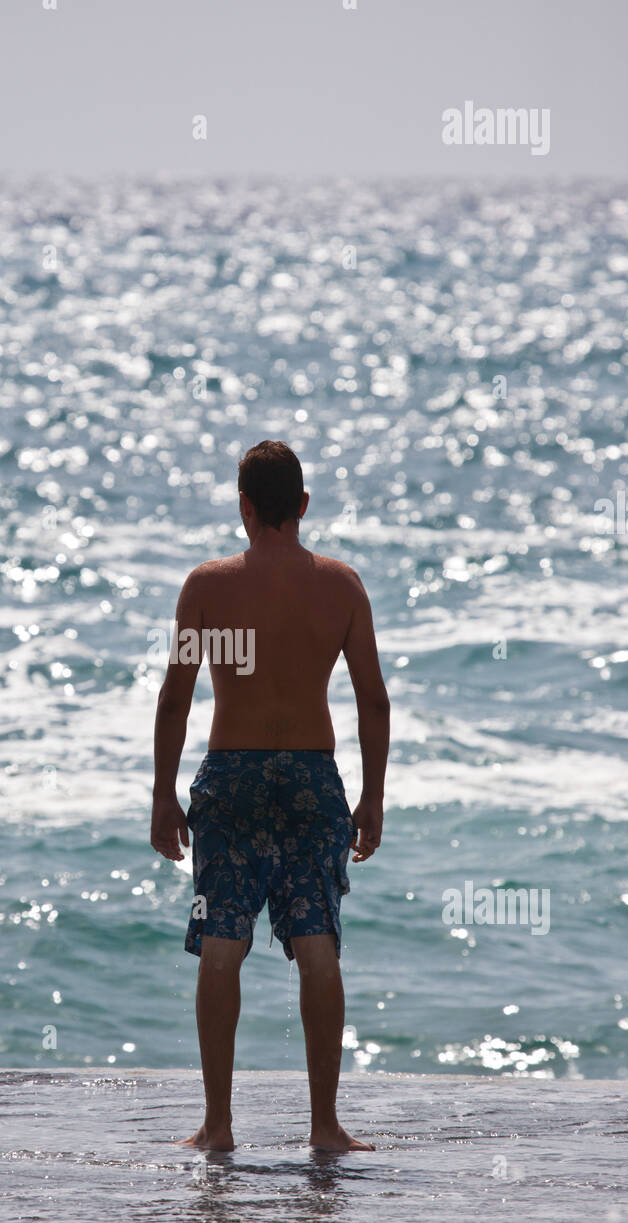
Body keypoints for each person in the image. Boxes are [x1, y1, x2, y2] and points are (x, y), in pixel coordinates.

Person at [150, 441, 390, 1152]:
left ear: (244, 508)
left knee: (222, 948)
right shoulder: (342, 586)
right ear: (305, 506)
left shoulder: (207, 586)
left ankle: (218, 1127)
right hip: (313, 779)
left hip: (231, 778)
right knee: (318, 950)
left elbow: (175, 700)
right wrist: (372, 796)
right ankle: (325, 1127)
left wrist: (163, 795)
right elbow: (372, 701)